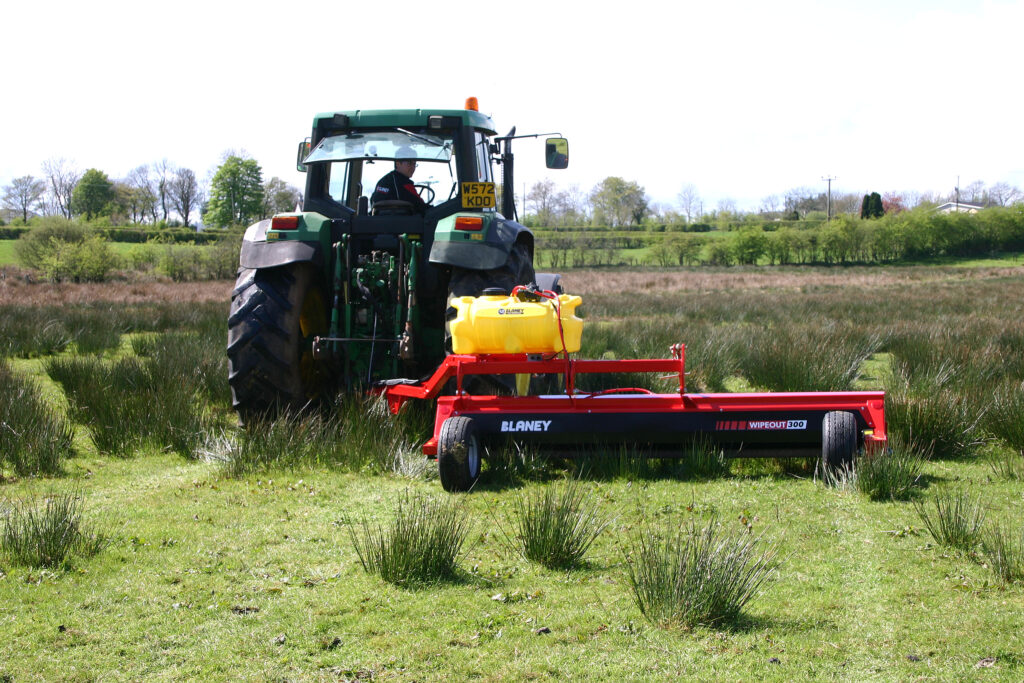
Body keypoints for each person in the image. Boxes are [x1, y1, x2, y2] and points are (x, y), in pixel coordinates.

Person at [370, 147, 428, 213]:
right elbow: (420, 206)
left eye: (414, 164)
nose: (413, 167)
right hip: (403, 221)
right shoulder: (404, 183)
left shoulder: (383, 181)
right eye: (409, 163)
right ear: (397, 163)